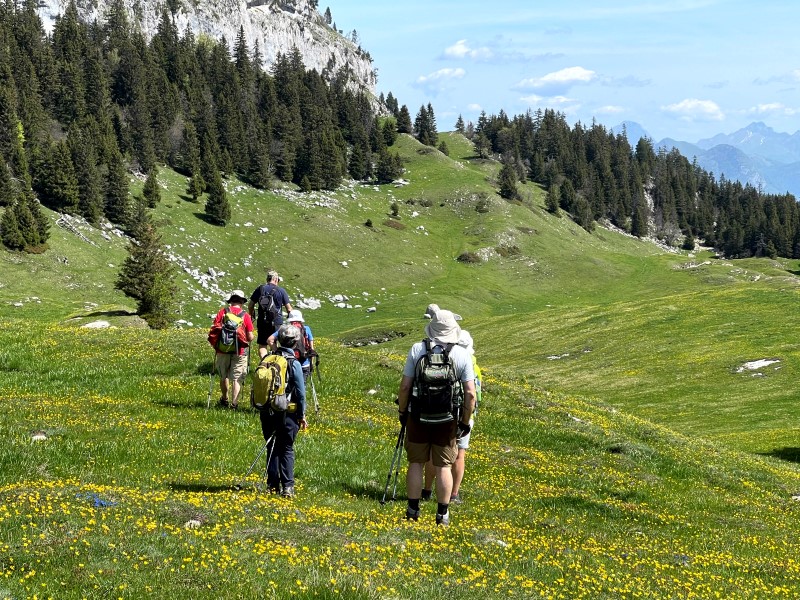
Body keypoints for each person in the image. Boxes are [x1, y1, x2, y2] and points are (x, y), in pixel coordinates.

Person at [397, 306, 476, 526]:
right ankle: (442, 514)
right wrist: (464, 422)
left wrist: (402, 412)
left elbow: (405, 387)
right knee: (443, 465)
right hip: (447, 419)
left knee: (415, 462)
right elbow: (470, 394)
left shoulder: (417, 349)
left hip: (418, 416)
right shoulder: (461, 354)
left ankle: (413, 510)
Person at [422, 329, 482, 504]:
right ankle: (454, 494)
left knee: (434, 452)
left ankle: (427, 490)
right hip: (465, 415)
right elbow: (474, 394)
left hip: (442, 411)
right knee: (459, 454)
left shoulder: (444, 358)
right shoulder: (473, 365)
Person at [259, 324, 308, 497]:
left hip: (267, 410)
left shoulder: (268, 358)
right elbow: (300, 393)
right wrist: (301, 415)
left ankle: (272, 486)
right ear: (295, 342)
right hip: (287, 411)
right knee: (286, 448)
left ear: (279, 340)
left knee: (271, 446)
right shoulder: (293, 363)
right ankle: (288, 487)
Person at [209, 290, 254, 409]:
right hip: (240, 351)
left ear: (231, 300)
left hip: (222, 349)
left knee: (223, 376)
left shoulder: (223, 312)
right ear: (242, 302)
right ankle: (234, 404)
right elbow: (250, 337)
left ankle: (224, 399)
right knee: (237, 378)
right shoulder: (245, 315)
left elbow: (215, 328)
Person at [248, 270, 292, 359]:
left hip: (262, 321)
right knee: (274, 342)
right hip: (276, 322)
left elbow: (250, 305)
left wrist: (251, 315)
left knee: (262, 345)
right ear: (275, 279)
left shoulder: (260, 289)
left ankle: (264, 363)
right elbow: (289, 309)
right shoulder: (281, 291)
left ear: (267, 279)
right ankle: (276, 361)